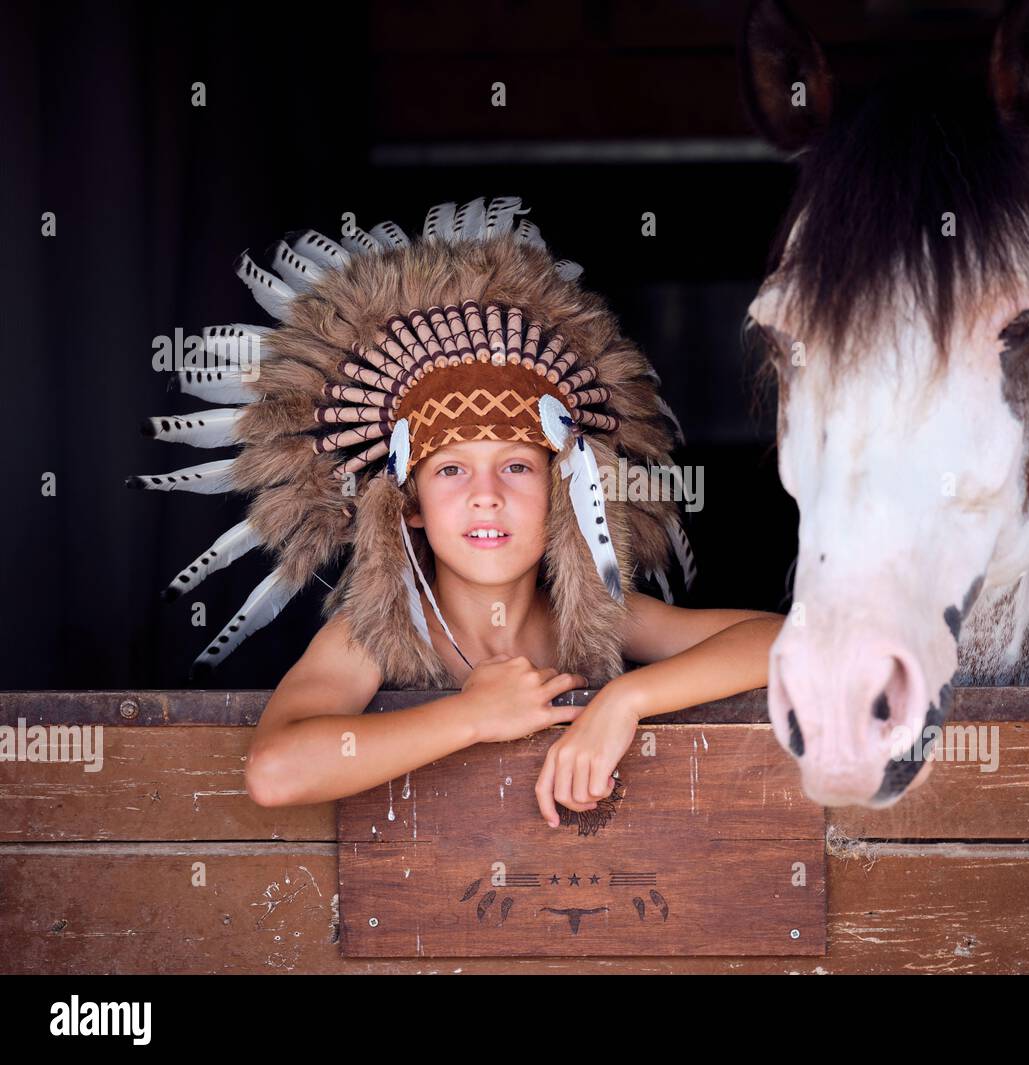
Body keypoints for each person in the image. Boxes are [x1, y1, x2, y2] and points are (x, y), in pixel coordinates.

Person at [126, 195, 781, 826]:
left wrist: (625, 699)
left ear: (562, 492)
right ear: (408, 503)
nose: (486, 493)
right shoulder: (374, 635)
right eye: (450, 469)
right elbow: (274, 771)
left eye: (518, 466)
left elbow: (790, 642)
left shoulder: (605, 620)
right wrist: (473, 716)